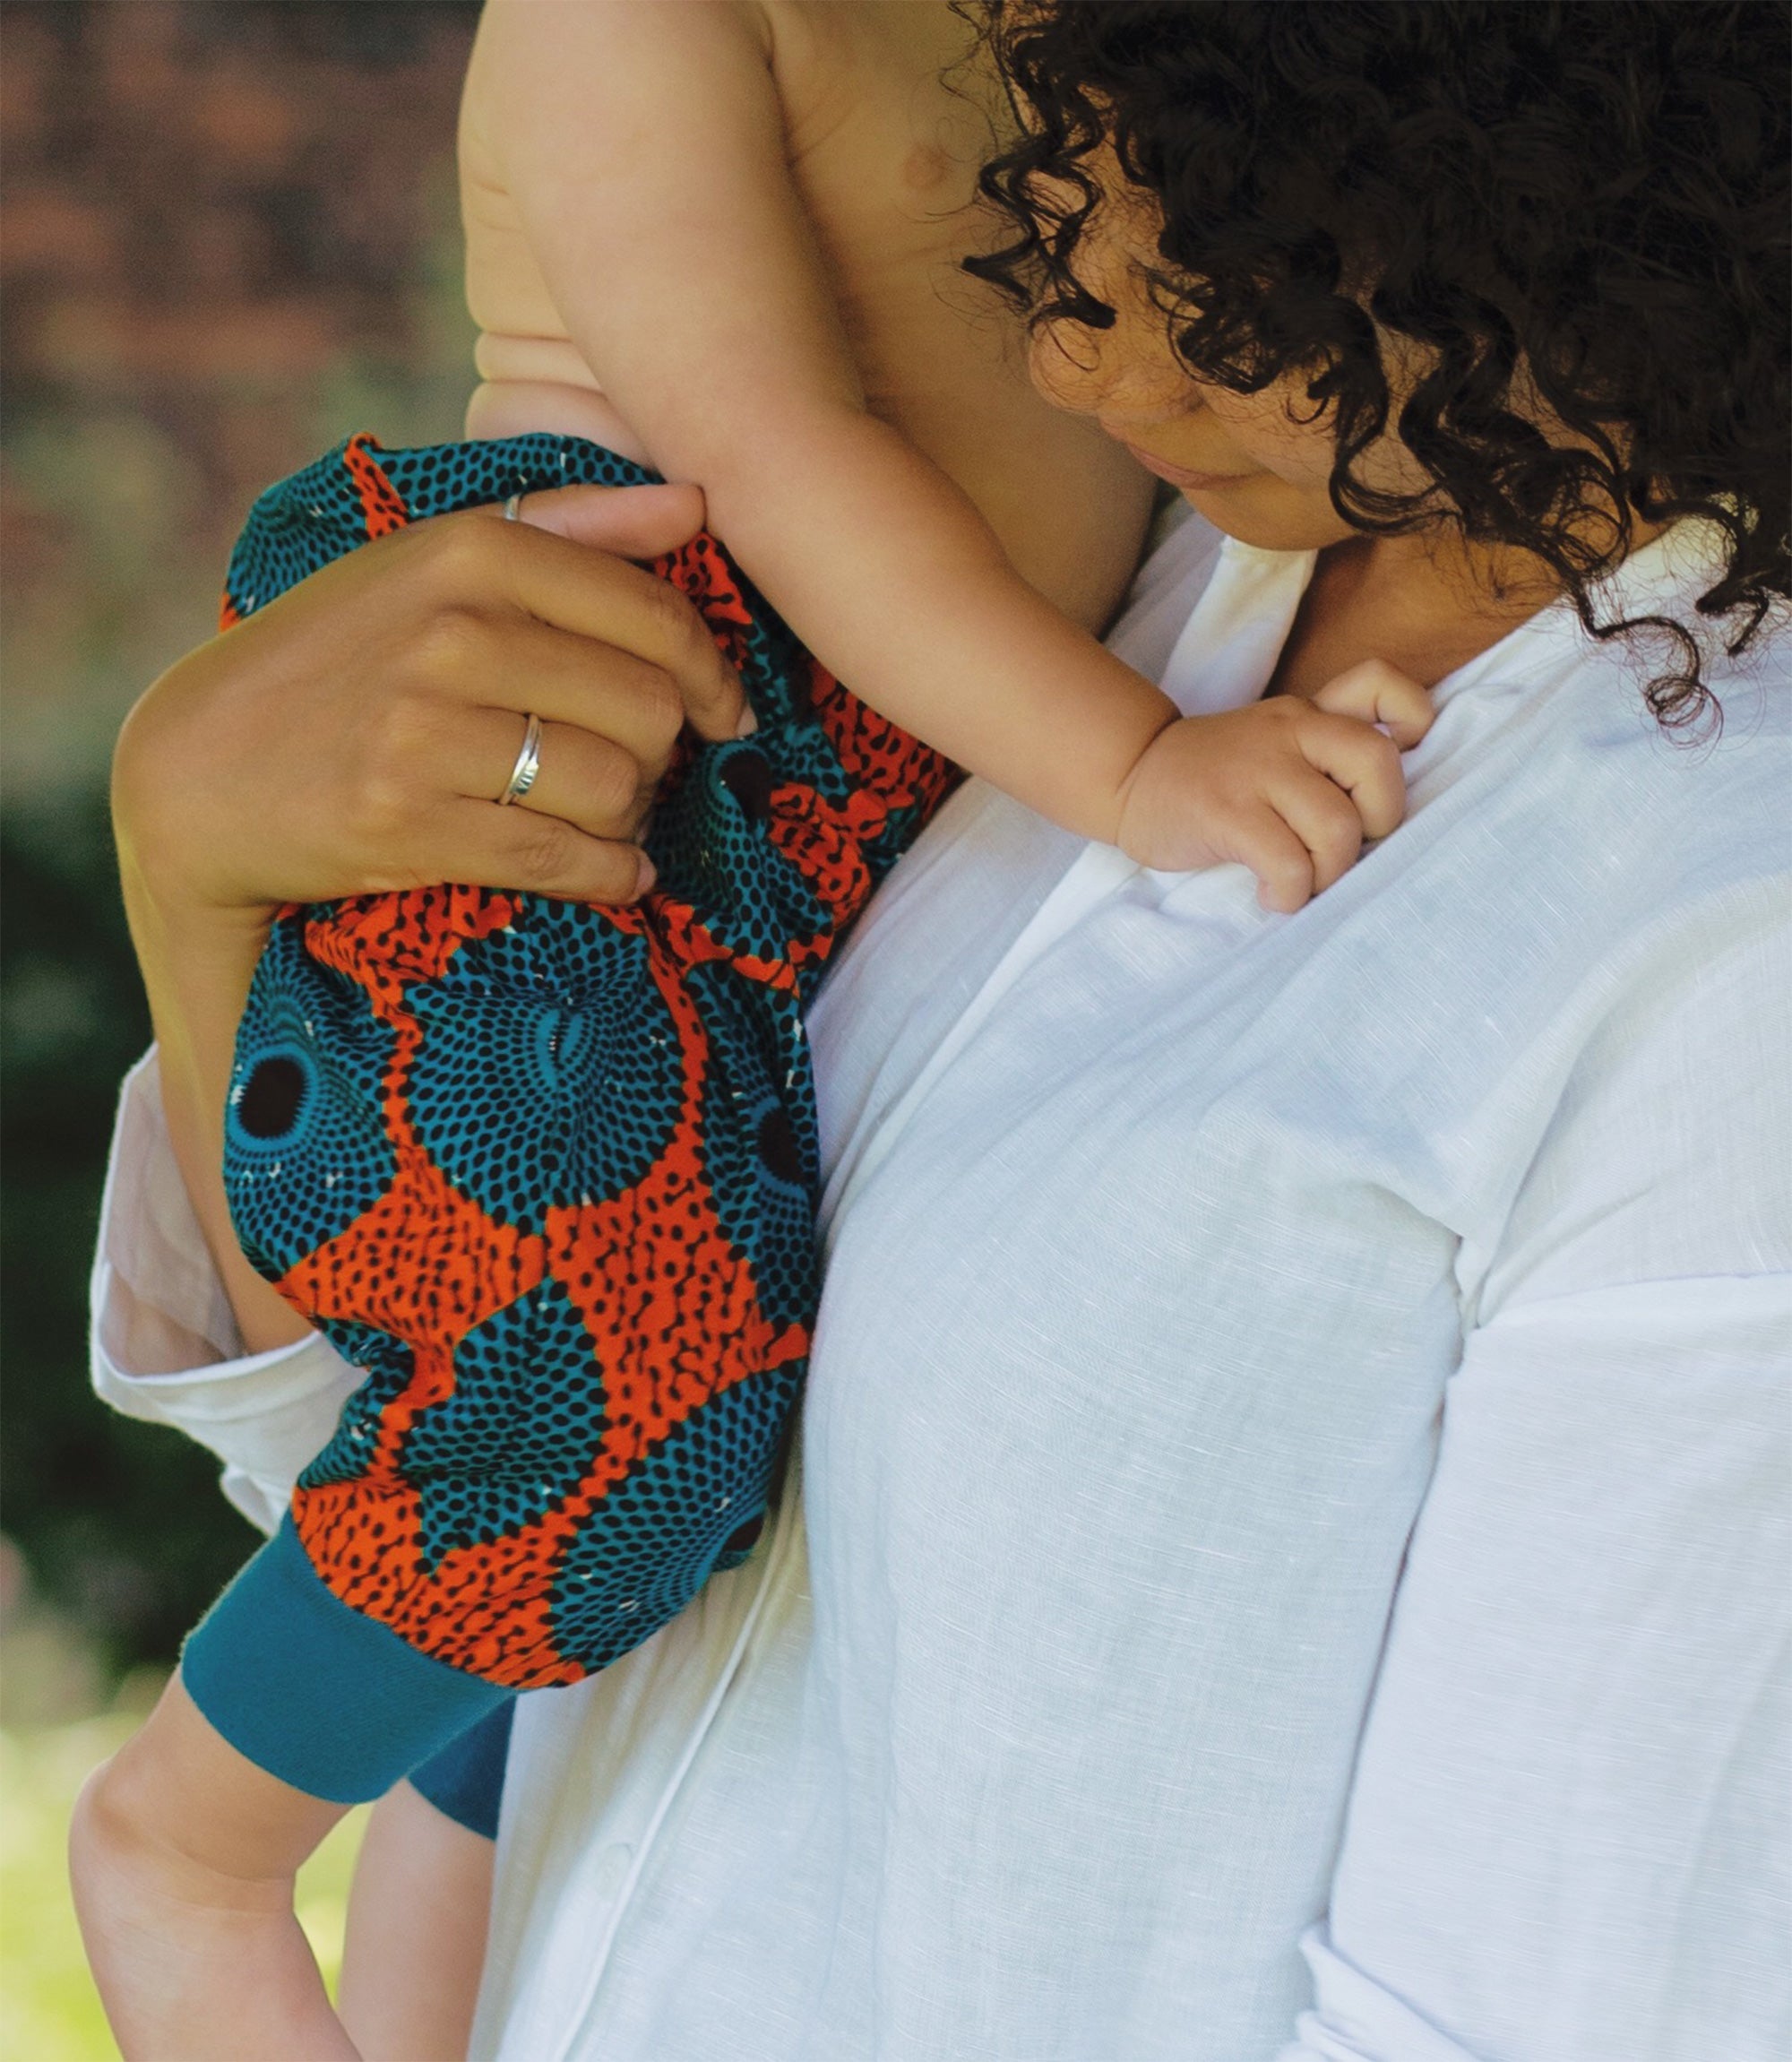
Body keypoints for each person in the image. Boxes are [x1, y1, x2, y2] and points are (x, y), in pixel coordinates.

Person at [74, 2, 1788, 2058]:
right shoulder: (1138, 603)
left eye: (1211, 277)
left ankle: (194, 1849)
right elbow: (433, 1459)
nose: (1076, 365)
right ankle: (197, 1849)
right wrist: (193, 860)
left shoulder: (1699, 928)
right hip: (626, 805)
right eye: (1058, 232)